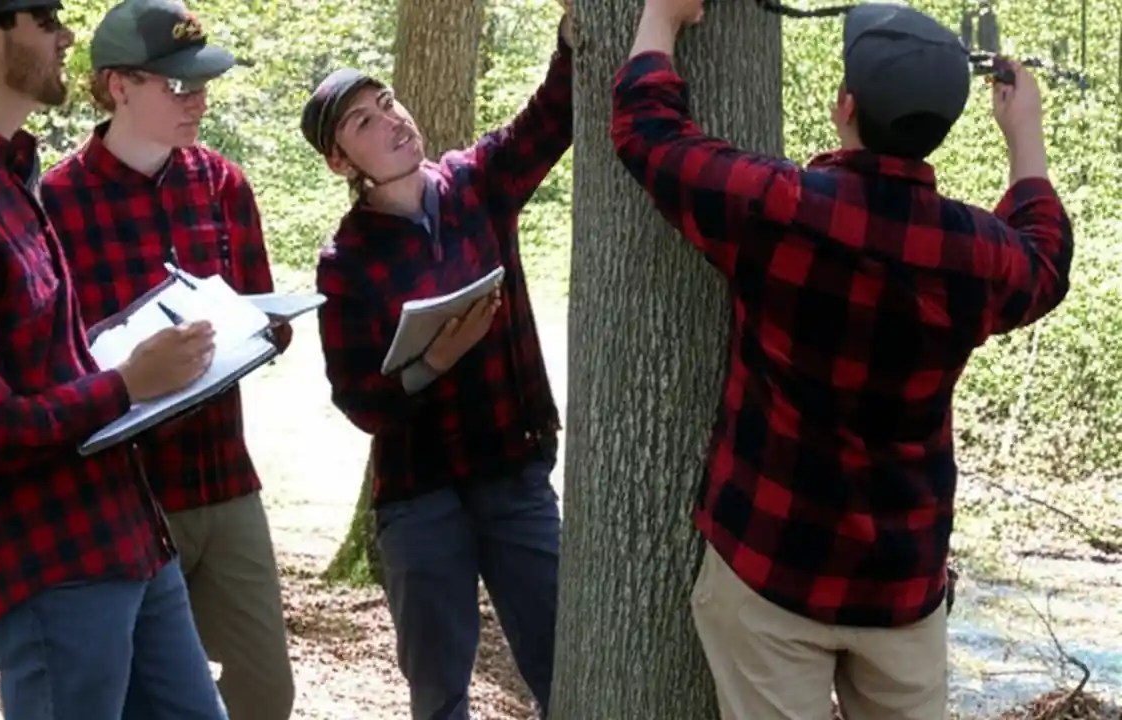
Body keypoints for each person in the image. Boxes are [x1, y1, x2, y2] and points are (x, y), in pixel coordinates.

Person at [613, 1, 1073, 718]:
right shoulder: (976, 256)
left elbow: (648, 133)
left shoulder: (783, 210)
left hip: (770, 567)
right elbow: (1045, 257)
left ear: (845, 106)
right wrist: (1025, 136)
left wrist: (661, 22)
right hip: (901, 587)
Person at [0, 1, 231, 718]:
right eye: (44, 17)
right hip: (49, 567)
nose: (67, 35)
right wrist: (127, 385)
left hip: (127, 536)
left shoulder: (6, 173)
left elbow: (47, 367)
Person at [301, 2, 572, 717]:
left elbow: (552, 117)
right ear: (340, 162)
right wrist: (434, 360)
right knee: (440, 691)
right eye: (364, 122)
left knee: (565, 670)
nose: (391, 121)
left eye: (387, 102)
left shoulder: (478, 182)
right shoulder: (344, 262)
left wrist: (574, 34)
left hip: (516, 473)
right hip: (420, 499)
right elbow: (358, 399)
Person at [37, 1, 295, 718]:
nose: (197, 100)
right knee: (131, 697)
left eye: (202, 83)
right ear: (118, 86)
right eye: (177, 86)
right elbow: (51, 362)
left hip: (225, 479)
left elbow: (261, 313)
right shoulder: (53, 204)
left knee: (263, 692)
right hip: (125, 495)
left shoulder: (223, 186)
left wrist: (262, 334)